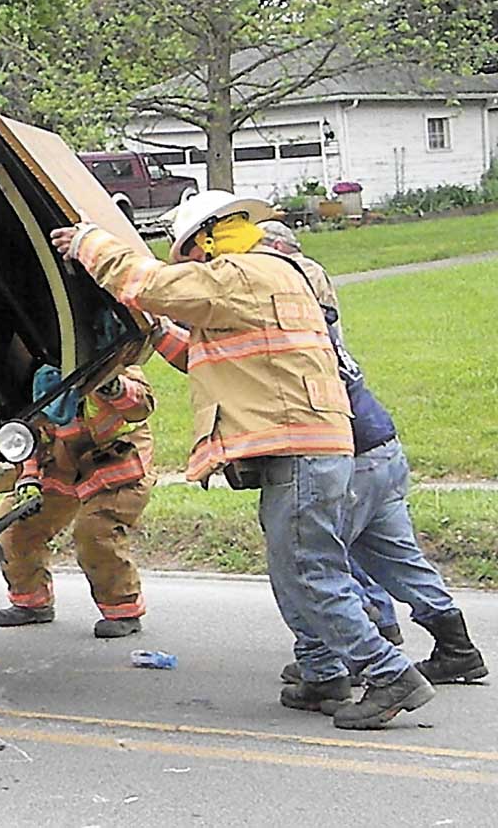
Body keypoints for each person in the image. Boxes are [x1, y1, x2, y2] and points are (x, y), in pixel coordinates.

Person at [50, 191, 435, 730]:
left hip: (300, 447)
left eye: (187, 251)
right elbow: (210, 360)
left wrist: (90, 242)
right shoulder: (275, 275)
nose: (188, 264)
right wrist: (160, 332)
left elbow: (152, 284)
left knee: (309, 569)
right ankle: (322, 671)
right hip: (307, 444)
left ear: (208, 238)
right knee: (293, 568)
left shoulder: (241, 274)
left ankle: (389, 673)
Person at [255, 220, 487, 701]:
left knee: (305, 563)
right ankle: (456, 647)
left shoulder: (274, 319)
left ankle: (327, 664)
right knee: (395, 556)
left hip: (340, 454)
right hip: (381, 444)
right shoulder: (319, 310)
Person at [0, 364, 156, 638]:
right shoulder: (23, 379)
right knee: (13, 524)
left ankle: (122, 611)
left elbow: (142, 406)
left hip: (115, 465)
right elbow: (24, 434)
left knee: (95, 531)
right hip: (61, 465)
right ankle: (32, 603)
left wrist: (115, 388)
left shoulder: (108, 360)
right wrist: (29, 478)